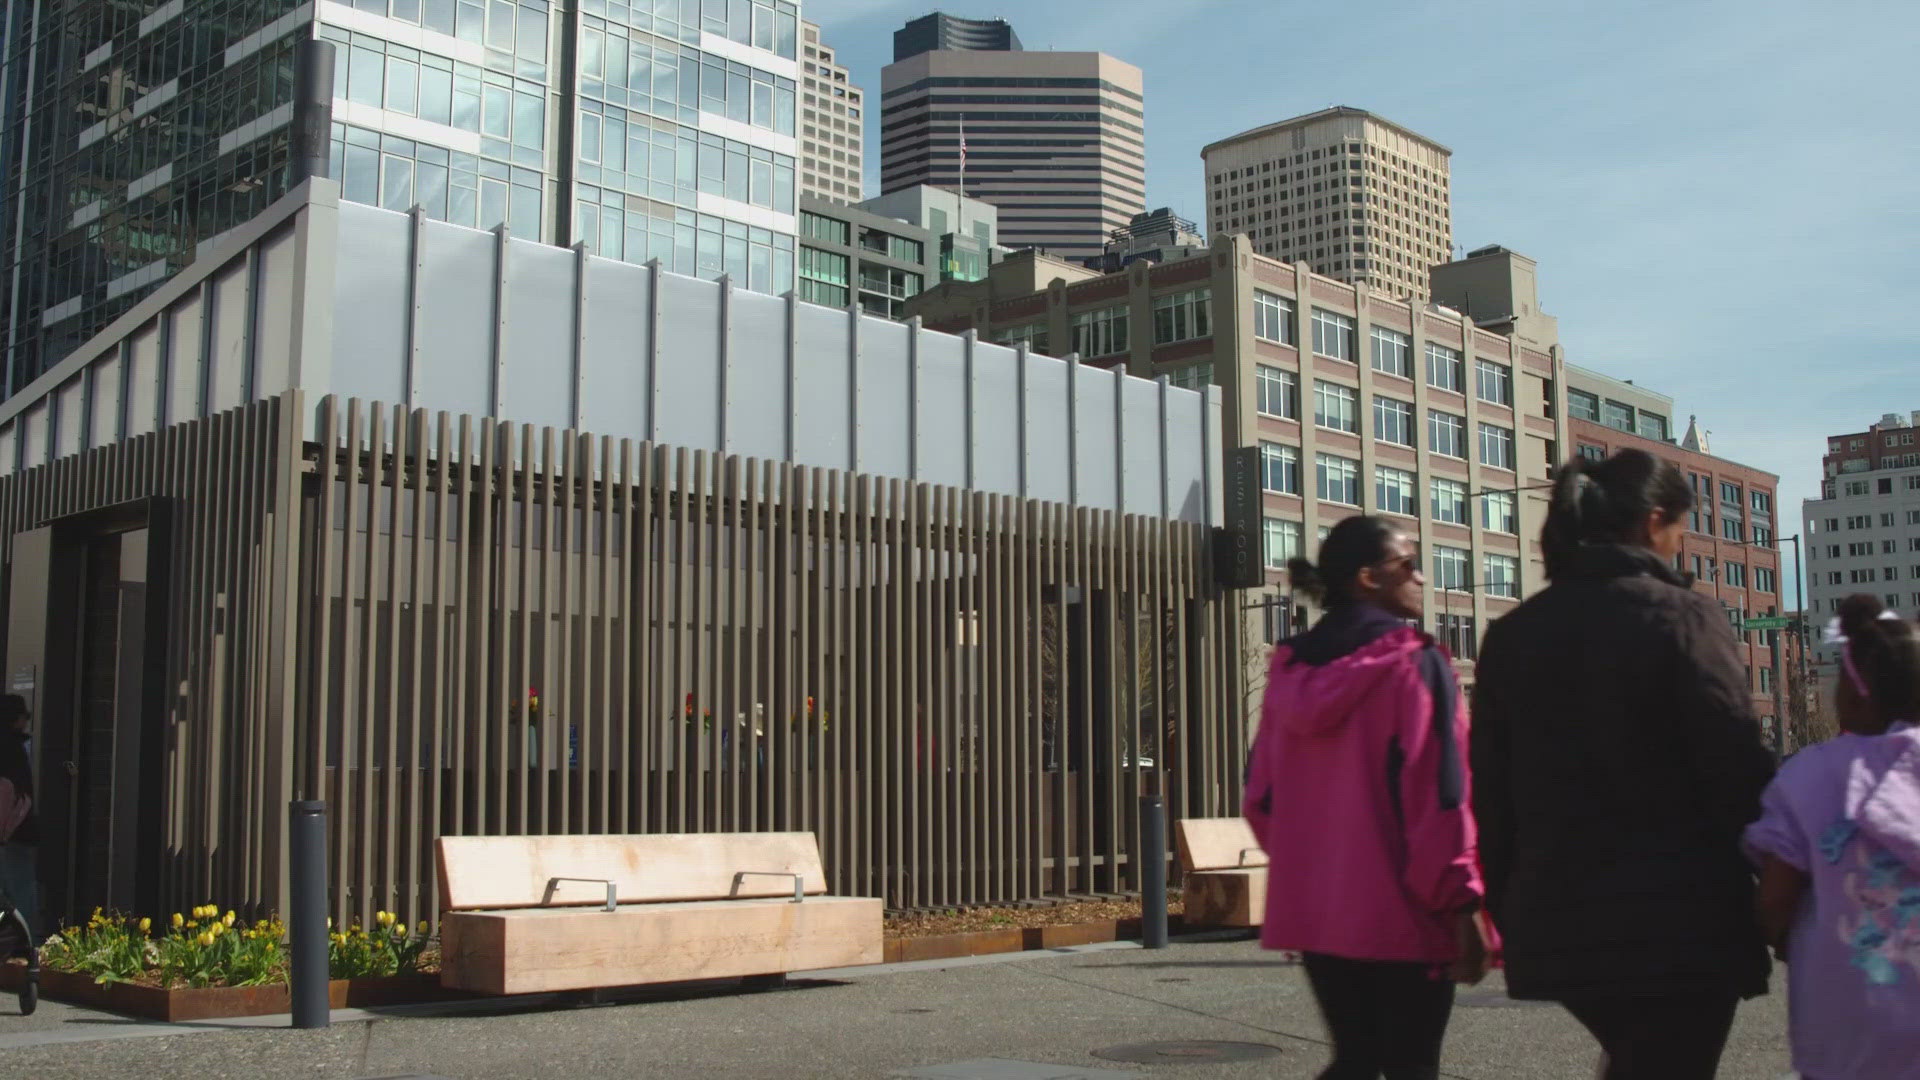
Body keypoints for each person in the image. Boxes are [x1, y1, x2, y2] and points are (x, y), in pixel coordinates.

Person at [1469, 449, 1775, 1079]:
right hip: (1682, 924)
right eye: (1679, 530)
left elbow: (1492, 795)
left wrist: (1510, 899)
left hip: (1555, 913)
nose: (1679, 547)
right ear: (1652, 522)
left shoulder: (1514, 635)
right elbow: (1736, 769)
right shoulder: (1686, 618)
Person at [1243, 515, 1492, 1080]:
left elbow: (1261, 799)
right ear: (1368, 577)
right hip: (1407, 909)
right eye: (1408, 563)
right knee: (1409, 1066)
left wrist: (1315, 869)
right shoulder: (1414, 661)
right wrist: (1463, 904)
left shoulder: (1289, 667)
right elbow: (1441, 796)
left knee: (1356, 1060)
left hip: (1317, 911)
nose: (1422, 577)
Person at [1743, 594, 1920, 1079]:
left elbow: (1776, 899)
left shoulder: (1811, 776)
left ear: (1855, 691)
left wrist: (1778, 936)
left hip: (1847, 1019)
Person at [0, 694, 37, 939]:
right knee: (21, 890)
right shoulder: (13, 748)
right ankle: (25, 944)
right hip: (15, 833)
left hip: (8, 833)